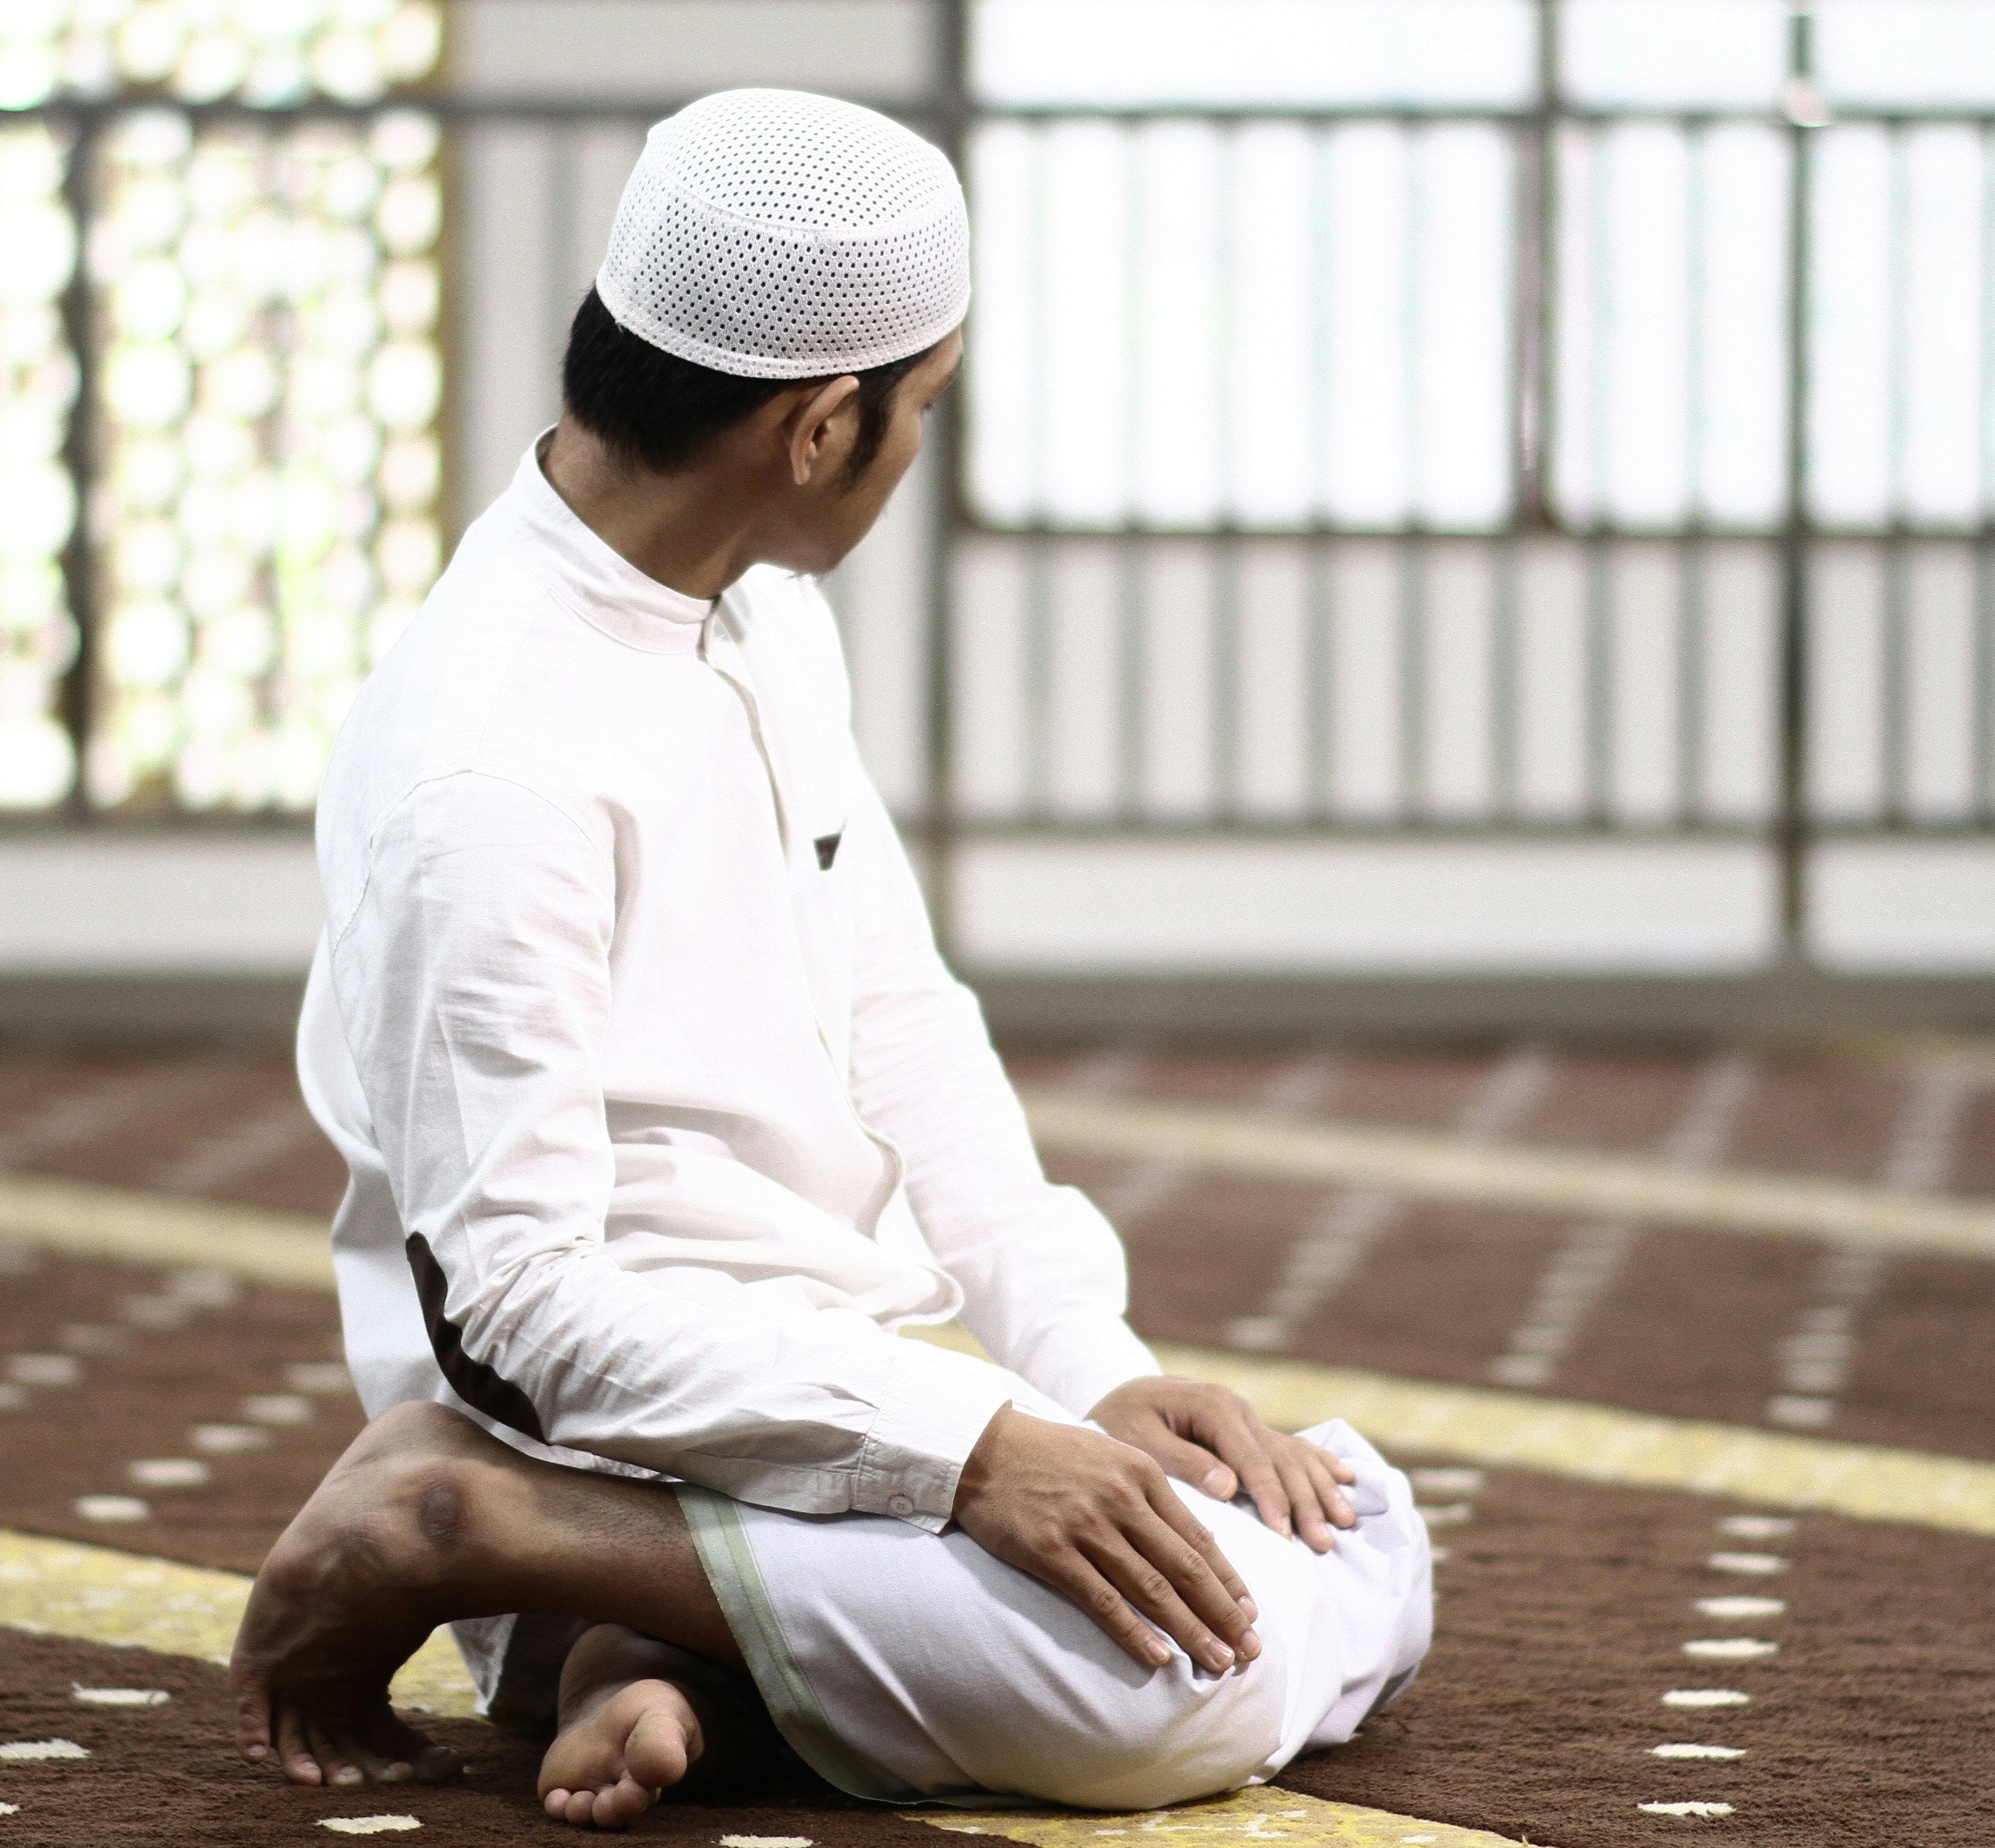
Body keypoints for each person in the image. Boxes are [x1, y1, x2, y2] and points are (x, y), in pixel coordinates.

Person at [232, 87, 1433, 1829]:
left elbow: (904, 1025)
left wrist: (1089, 1369)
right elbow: (514, 1309)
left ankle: (654, 1648)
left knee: (1356, 1520)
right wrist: (969, 1452)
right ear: (816, 429)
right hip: (610, 1424)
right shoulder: (485, 765)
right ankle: (481, 1533)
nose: (921, 446)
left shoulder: (765, 616)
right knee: (1182, 1687)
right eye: (922, 409)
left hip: (850, 1390)